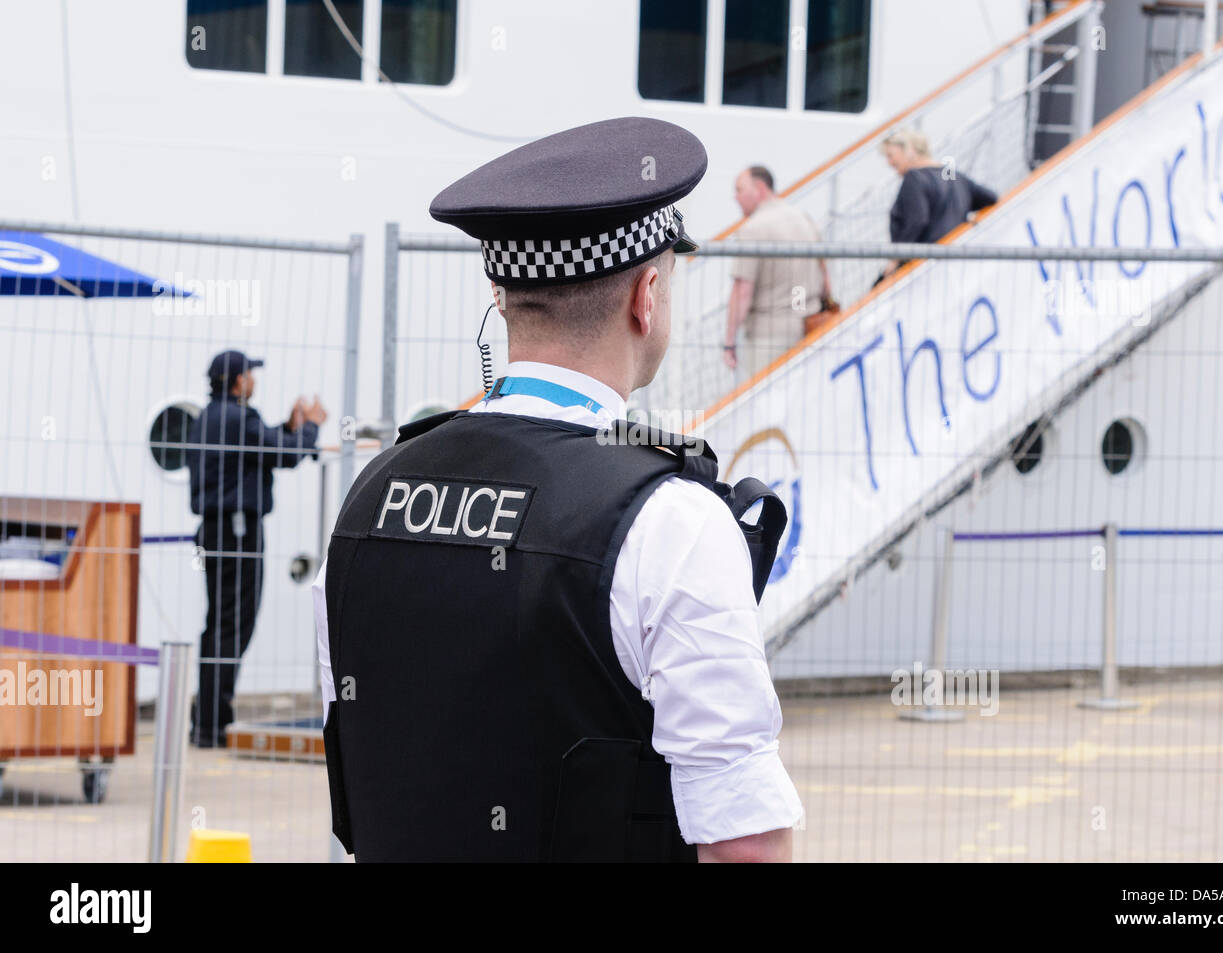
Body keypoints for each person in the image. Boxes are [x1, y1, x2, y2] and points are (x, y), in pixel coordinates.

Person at [314, 117, 803, 863]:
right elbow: (747, 846)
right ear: (647, 296)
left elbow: (366, 774)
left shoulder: (368, 500)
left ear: (501, 294)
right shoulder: (671, 522)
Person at [187, 350, 325, 747]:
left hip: (214, 531)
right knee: (235, 623)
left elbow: (258, 449)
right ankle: (214, 723)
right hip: (239, 532)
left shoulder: (205, 419)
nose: (254, 380)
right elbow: (283, 454)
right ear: (236, 381)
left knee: (218, 623)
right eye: (249, 374)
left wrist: (288, 426)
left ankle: (207, 720)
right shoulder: (240, 418)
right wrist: (311, 428)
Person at [724, 165, 832, 380]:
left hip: (768, 337)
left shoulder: (752, 229)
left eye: (739, 189)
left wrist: (729, 341)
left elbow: (742, 291)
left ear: (760, 188)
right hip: (808, 325)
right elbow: (824, 275)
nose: (735, 197)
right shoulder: (803, 218)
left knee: (766, 406)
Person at [879, 128, 998, 281]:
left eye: (891, 156)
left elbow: (917, 220)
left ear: (909, 151)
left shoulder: (915, 177)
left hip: (923, 268)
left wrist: (895, 259)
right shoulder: (953, 176)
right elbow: (991, 198)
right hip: (954, 262)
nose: (889, 163)